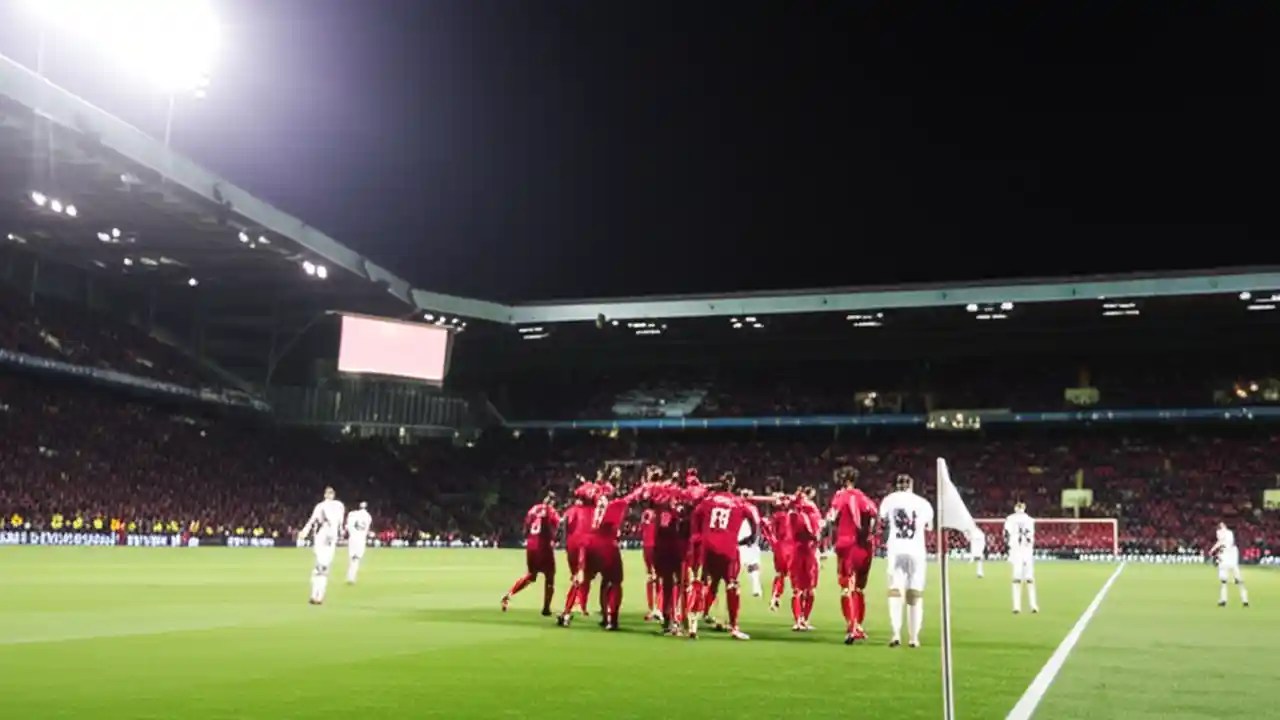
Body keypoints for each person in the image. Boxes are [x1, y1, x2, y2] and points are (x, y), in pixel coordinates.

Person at [689, 489, 758, 640]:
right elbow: (753, 518)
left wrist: (698, 534)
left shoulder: (708, 500)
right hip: (728, 548)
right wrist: (752, 536)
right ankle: (734, 627)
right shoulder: (738, 503)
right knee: (732, 584)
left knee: (702, 582)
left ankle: (693, 625)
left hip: (707, 547)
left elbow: (695, 514)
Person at [879, 474, 933, 647]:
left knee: (895, 592)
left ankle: (895, 634)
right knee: (914, 594)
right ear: (911, 485)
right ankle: (913, 637)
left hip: (896, 550)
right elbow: (929, 526)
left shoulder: (889, 500)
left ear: (896, 485)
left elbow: (882, 522)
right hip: (916, 551)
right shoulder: (923, 503)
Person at [828, 467, 878, 644]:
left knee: (846, 587)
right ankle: (860, 626)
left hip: (846, 544)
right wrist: (867, 535)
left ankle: (852, 626)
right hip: (864, 546)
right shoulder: (863, 496)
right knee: (859, 588)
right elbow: (874, 515)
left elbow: (832, 518)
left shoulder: (840, 496)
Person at [503, 492, 561, 615]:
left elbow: (526, 527)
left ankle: (509, 594)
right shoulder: (552, 512)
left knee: (531, 575)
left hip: (531, 545)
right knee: (550, 577)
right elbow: (554, 530)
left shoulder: (533, 509)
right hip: (544, 547)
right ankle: (546, 608)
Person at [556, 478, 596, 624]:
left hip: (571, 545)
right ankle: (567, 612)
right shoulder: (593, 511)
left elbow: (564, 525)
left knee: (578, 578)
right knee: (581, 578)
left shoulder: (572, 510)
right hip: (584, 546)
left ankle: (574, 608)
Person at [299, 486, 345, 605]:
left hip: (322, 537)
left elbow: (313, 520)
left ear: (325, 495)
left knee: (318, 568)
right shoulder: (339, 506)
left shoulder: (321, 506)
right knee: (324, 568)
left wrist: (304, 531)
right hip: (332, 539)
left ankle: (315, 595)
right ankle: (320, 596)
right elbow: (340, 524)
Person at [788, 487, 823, 632]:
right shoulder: (809, 514)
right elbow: (813, 533)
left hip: (797, 551)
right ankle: (803, 619)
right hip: (809, 552)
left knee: (799, 589)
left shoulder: (793, 514)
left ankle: (799, 620)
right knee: (808, 589)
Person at [1004, 502, 1038, 614]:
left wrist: (1008, 547)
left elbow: (1006, 534)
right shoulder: (1030, 520)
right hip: (1026, 551)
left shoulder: (1009, 519)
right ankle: (1033, 605)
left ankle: (1016, 606)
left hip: (1016, 551)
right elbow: (1031, 537)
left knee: (1017, 579)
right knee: (1029, 579)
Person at [1209, 522, 1249, 608]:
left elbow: (1220, 542)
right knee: (1239, 581)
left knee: (1224, 582)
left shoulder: (1221, 534)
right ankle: (1244, 600)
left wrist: (1213, 550)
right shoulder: (1230, 535)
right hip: (1231, 559)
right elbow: (1223, 543)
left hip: (1226, 559)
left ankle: (1224, 600)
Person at [767, 491, 794, 612]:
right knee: (791, 576)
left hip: (780, 547)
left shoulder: (776, 516)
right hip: (787, 548)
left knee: (781, 575)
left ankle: (775, 596)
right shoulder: (783, 516)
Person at [737, 489, 765, 598]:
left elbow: (756, 524)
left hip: (746, 541)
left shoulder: (749, 508)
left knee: (752, 566)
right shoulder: (750, 508)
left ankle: (755, 588)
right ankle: (754, 588)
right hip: (744, 540)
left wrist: (754, 538)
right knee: (745, 566)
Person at [344, 501, 373, 585]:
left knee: (352, 558)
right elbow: (366, 529)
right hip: (361, 540)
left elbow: (348, 526)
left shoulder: (352, 514)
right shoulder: (368, 517)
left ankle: (350, 576)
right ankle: (351, 577)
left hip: (352, 538)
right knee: (356, 559)